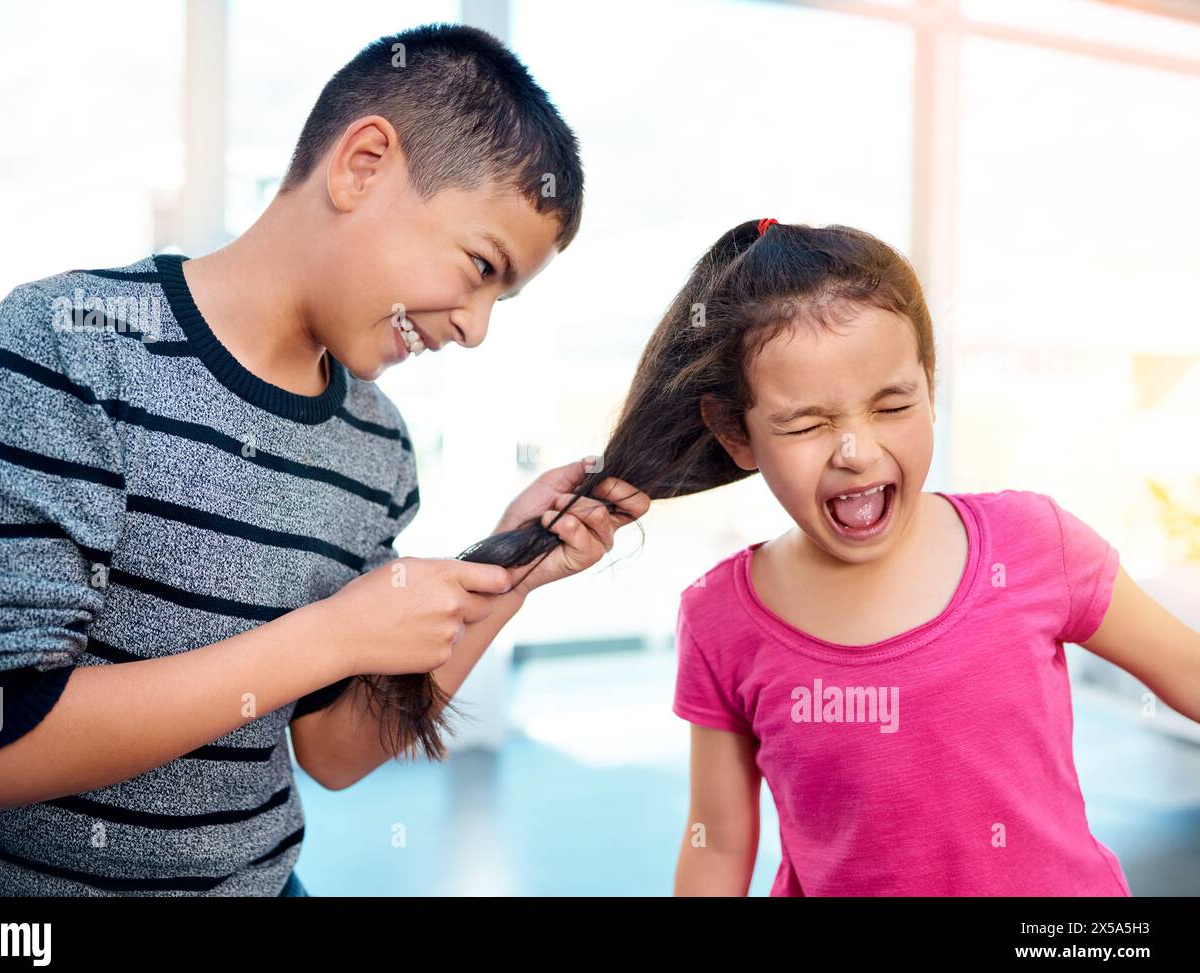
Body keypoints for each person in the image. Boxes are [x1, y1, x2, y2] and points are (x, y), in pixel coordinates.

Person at [0, 22, 646, 897]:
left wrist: (508, 569)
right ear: (362, 165)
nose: (475, 329)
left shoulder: (378, 444)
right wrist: (333, 634)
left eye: (502, 300)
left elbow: (332, 751)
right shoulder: (65, 345)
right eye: (480, 267)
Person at [462, 217, 1200, 896]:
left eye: (891, 405)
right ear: (736, 434)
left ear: (930, 387)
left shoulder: (1036, 543)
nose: (856, 450)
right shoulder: (720, 617)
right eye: (808, 422)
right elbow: (717, 843)